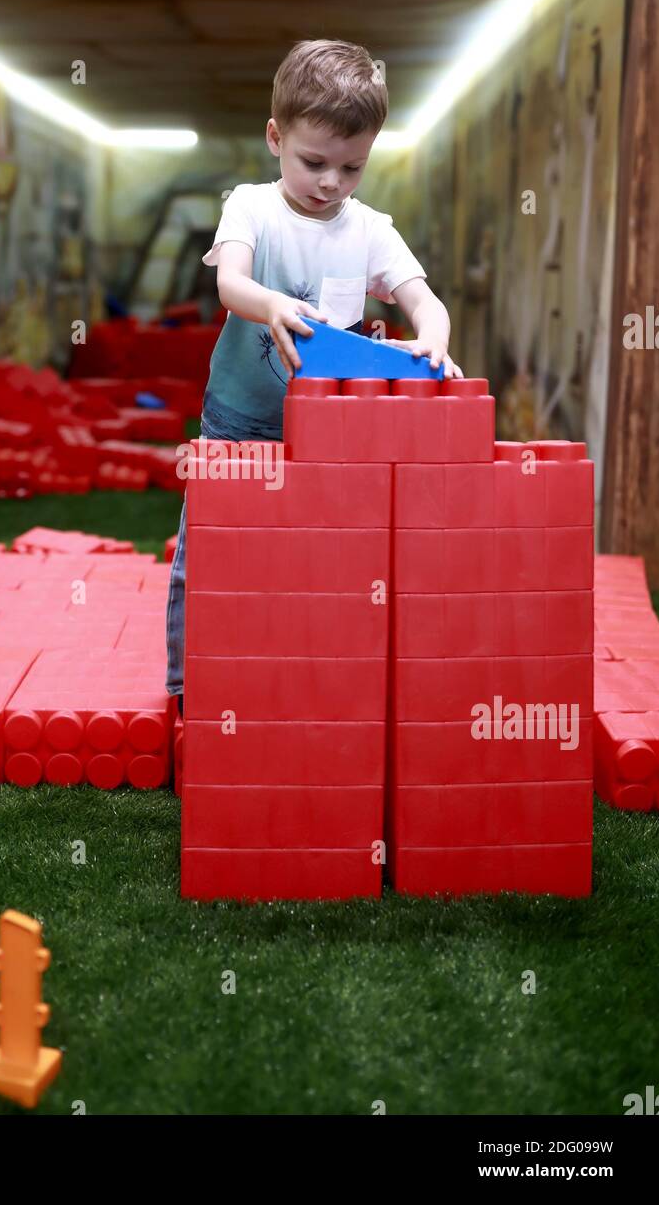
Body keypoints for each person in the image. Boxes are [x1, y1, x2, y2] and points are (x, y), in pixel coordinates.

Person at [165, 38, 464, 713]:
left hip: (332, 429)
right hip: (239, 416)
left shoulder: (370, 230)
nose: (332, 182)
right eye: (314, 162)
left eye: (352, 167)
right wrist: (270, 304)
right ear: (276, 137)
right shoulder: (252, 206)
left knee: (324, 562)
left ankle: (312, 684)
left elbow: (423, 300)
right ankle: (189, 689)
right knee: (204, 554)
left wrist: (434, 340)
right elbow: (230, 283)